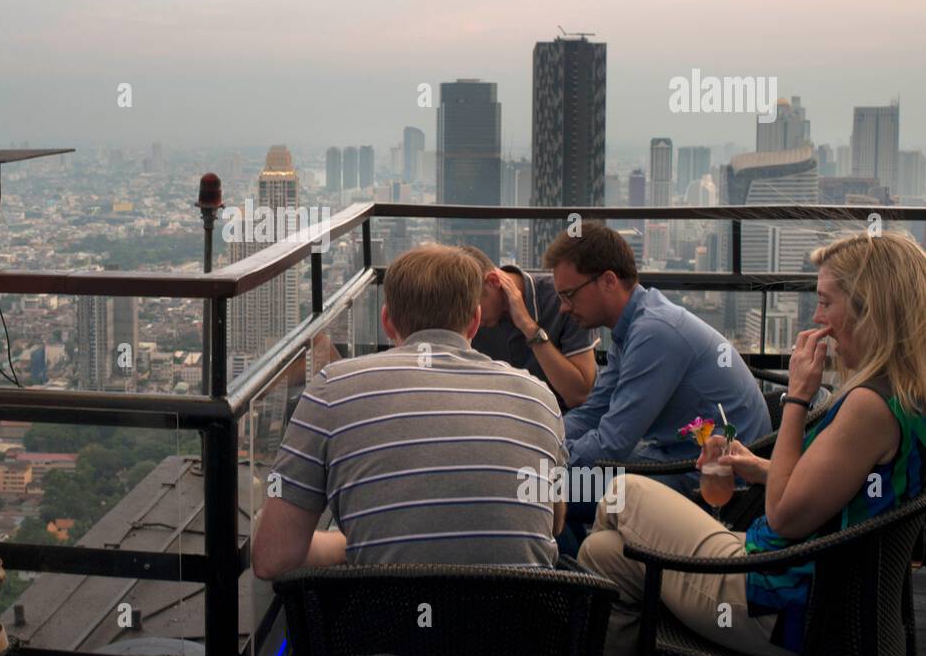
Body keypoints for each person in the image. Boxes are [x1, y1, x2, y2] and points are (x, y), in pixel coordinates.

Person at [579, 230, 926, 656]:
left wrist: (797, 396)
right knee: (604, 553)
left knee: (623, 492)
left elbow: (781, 516)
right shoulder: (905, 394)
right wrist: (758, 467)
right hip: (812, 588)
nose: (818, 318)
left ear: (868, 308)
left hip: (775, 599)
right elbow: (839, 487)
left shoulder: (868, 408)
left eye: (826, 301)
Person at [252, 244, 567, 578]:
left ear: (387, 321)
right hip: (525, 626)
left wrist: (361, 542)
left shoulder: (331, 388)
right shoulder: (539, 396)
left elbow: (273, 557)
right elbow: (556, 521)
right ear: (475, 321)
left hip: (381, 627)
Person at [546, 223, 769, 480]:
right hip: (682, 454)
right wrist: (540, 436)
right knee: (557, 484)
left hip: (717, 472)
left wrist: (543, 464)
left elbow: (610, 445)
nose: (563, 308)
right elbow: (594, 412)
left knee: (548, 491)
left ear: (609, 281)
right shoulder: (632, 327)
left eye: (569, 294)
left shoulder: (653, 333)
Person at [457, 245, 598, 411]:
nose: (471, 319)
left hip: (560, 421)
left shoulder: (562, 298)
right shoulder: (467, 315)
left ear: (494, 281)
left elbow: (579, 395)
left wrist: (528, 326)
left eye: (472, 308)